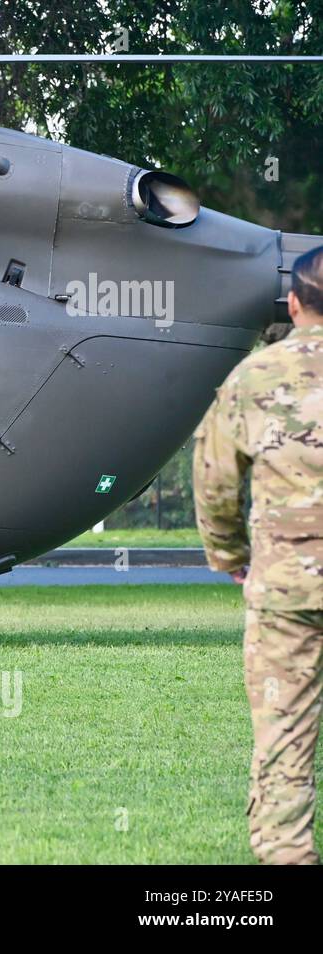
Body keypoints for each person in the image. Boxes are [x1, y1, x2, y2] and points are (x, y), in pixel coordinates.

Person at [193, 243, 323, 865]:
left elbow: (215, 478)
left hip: (285, 594)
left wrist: (231, 557)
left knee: (284, 743)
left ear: (294, 303)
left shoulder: (256, 376)